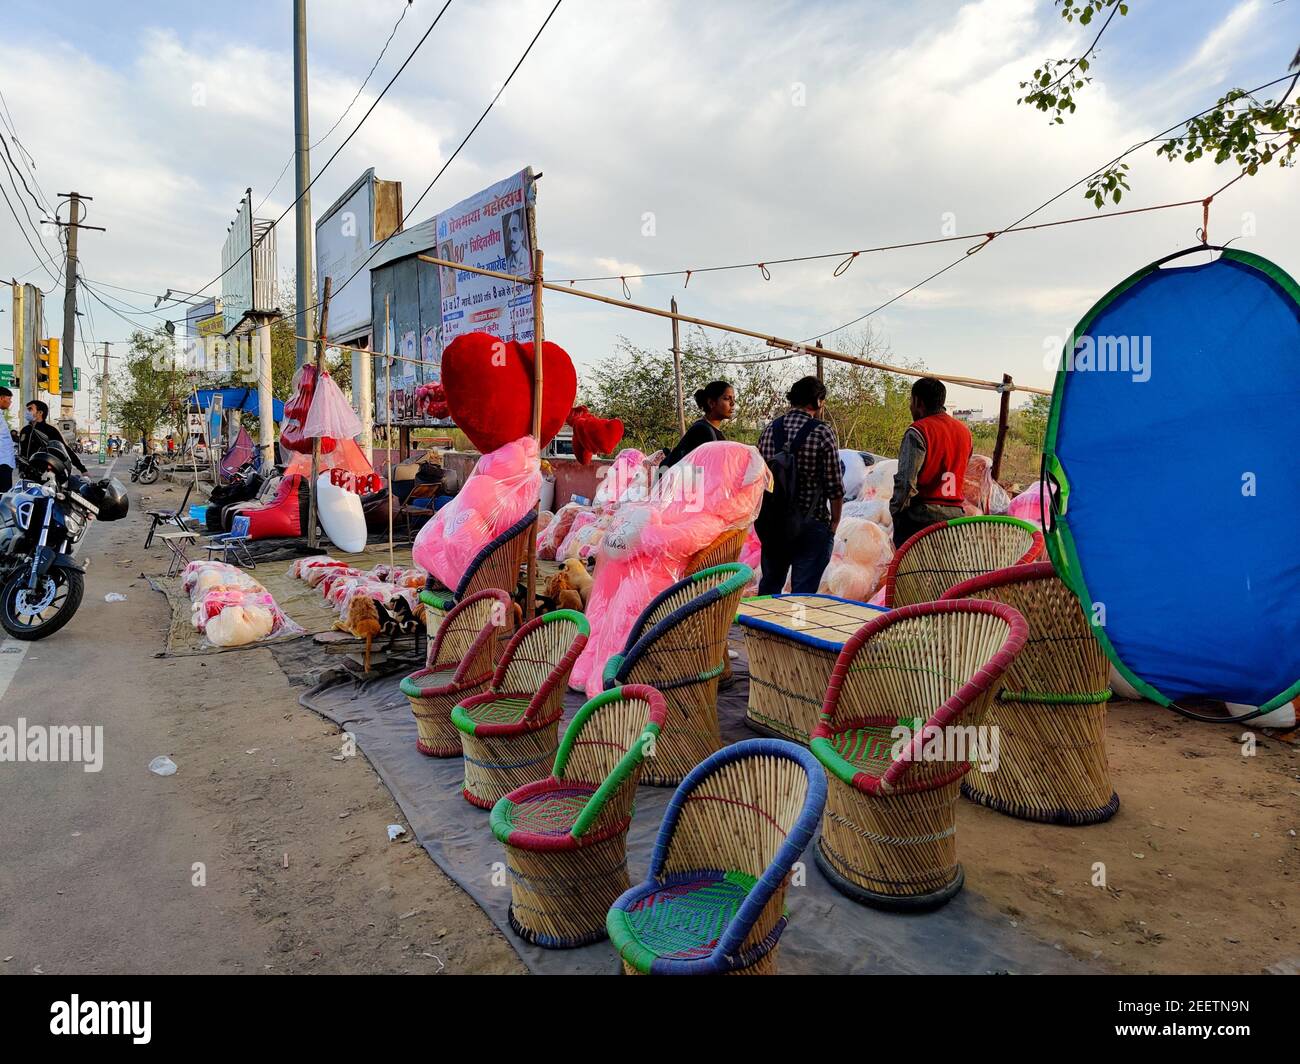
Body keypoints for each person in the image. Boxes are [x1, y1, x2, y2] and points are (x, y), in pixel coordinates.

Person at [756, 376, 844, 594]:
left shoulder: (770, 430)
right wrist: (834, 523)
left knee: (769, 588)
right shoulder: (823, 432)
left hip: (773, 524)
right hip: (810, 523)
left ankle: (763, 627)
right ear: (816, 401)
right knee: (802, 594)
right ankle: (794, 626)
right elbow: (834, 485)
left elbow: (758, 477)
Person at [889, 376, 973, 548]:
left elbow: (906, 482)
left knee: (909, 572)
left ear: (918, 401)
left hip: (921, 519)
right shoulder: (965, 432)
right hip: (955, 518)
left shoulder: (918, 430)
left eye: (911, 401)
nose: (910, 407)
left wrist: (896, 511)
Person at [659, 380, 735, 470]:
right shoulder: (703, 431)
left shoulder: (709, 429)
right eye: (727, 398)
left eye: (733, 399)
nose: (733, 403)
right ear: (711, 403)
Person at [19, 400, 87, 473]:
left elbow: (65, 449)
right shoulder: (25, 430)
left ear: (40, 413)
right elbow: (22, 451)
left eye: (30, 409)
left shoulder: (50, 430)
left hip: (44, 471)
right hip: (26, 470)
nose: (27, 412)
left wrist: (82, 469)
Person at [0, 387, 16, 492]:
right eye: (9, 399)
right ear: (1, 398)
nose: (10, 402)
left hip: (5, 461)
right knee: (3, 495)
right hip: (2, 462)